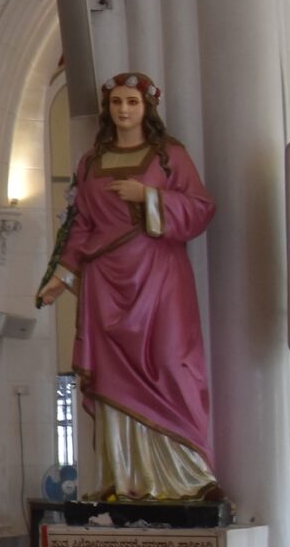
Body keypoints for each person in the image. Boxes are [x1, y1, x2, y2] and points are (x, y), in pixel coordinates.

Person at [36, 72, 219, 501]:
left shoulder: (169, 156)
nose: (123, 110)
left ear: (146, 107)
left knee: (172, 362)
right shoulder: (91, 161)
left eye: (132, 102)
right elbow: (81, 225)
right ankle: (126, 478)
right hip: (105, 281)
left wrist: (149, 197)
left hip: (159, 275)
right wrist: (60, 277)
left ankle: (187, 475)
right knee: (113, 377)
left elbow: (201, 209)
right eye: (117, 102)